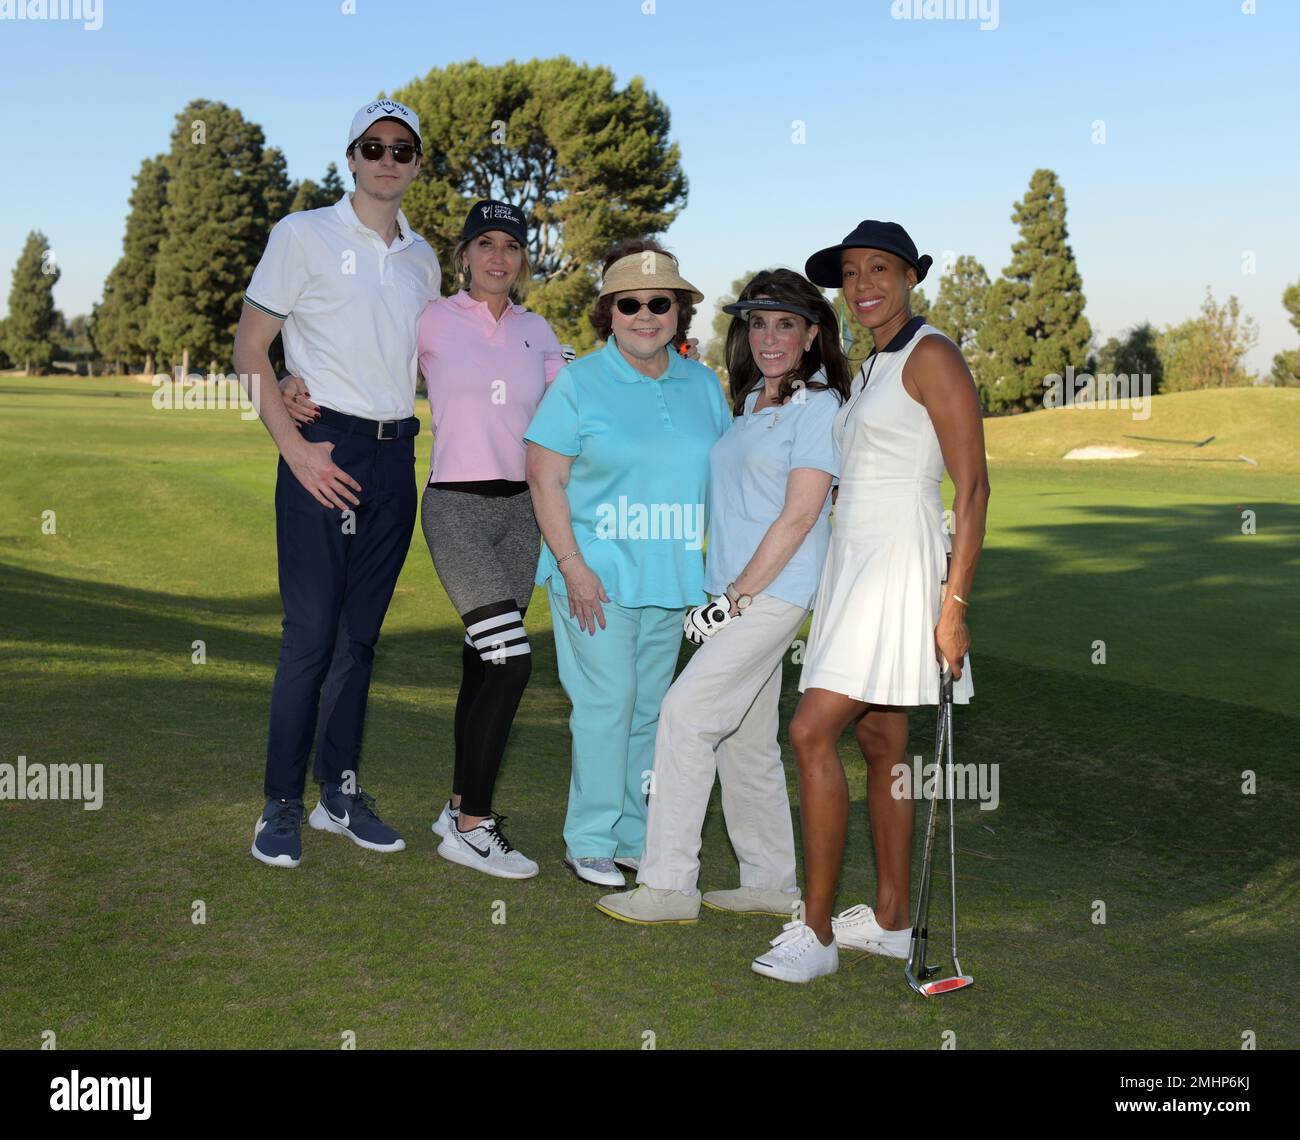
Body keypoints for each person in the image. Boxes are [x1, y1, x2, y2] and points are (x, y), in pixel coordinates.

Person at [281, 200, 571, 879]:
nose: (498, 257)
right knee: (512, 659)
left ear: (523, 258)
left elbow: (573, 406)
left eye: (511, 245)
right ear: (464, 256)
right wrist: (294, 380)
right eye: (484, 245)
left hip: (522, 512)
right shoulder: (432, 319)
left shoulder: (539, 330)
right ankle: (472, 827)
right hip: (456, 507)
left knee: (483, 657)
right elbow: (359, 353)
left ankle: (454, 807)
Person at [751, 221, 989, 983]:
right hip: (854, 564)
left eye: (878, 269)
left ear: (911, 276)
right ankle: (890, 920)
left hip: (900, 566)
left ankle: (816, 933)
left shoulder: (933, 355)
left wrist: (954, 605)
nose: (862, 285)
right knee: (882, 741)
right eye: (850, 273)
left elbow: (974, 487)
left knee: (809, 731)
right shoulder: (874, 362)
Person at [593, 269, 850, 925]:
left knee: (685, 716)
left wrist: (734, 597)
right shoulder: (748, 407)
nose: (769, 337)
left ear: (812, 333)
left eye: (785, 323)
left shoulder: (819, 407)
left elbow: (798, 516)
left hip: (770, 594)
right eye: (758, 323)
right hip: (733, 593)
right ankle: (769, 880)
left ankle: (670, 886)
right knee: (745, 740)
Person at [236, 99, 440, 868]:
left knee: (360, 640)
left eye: (402, 149)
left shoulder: (423, 259)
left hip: (396, 456)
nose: (388, 159)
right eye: (373, 146)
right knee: (312, 637)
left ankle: (339, 793)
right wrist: (296, 449)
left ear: (416, 164)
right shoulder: (302, 234)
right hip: (325, 451)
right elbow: (250, 348)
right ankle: (282, 801)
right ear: (350, 158)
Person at [525, 240, 730, 887]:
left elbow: (727, 473)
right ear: (608, 312)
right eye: (630, 303)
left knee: (647, 712)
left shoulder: (703, 383)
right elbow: (543, 479)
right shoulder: (580, 382)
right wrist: (571, 564)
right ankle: (588, 838)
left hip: (671, 580)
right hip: (594, 577)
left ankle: (632, 838)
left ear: (679, 311)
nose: (646, 315)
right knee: (607, 704)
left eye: (660, 303)